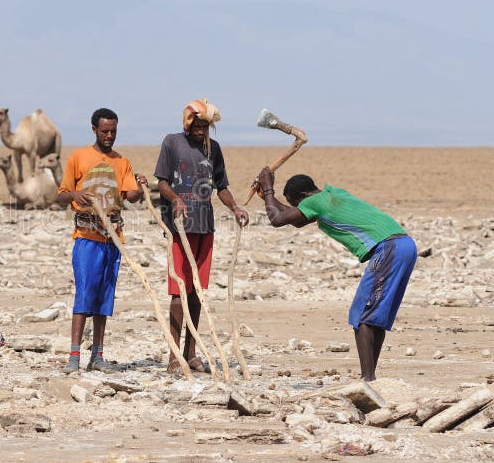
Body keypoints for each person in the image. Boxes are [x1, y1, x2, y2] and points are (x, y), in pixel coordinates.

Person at [253, 169, 417, 382]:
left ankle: (368, 379)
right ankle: (370, 376)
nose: (297, 209)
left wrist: (268, 188)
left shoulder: (314, 202)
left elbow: (277, 220)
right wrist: (269, 198)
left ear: (302, 197)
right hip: (405, 245)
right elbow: (296, 219)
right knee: (375, 317)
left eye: (296, 204)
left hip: (388, 249)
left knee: (361, 317)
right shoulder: (332, 194)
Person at [153, 98, 249, 374]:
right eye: (197, 124)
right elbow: (162, 182)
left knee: (197, 291)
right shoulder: (172, 143)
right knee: (178, 291)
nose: (201, 129)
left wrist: (234, 206)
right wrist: (175, 200)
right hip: (179, 228)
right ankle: (174, 356)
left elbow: (221, 187)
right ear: (188, 122)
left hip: (205, 226)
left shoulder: (213, 149)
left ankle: (191, 353)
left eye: (206, 125)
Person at [57, 108, 147, 374]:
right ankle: (74, 356)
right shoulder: (79, 157)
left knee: (104, 297)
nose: (109, 136)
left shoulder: (122, 162)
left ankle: (97, 356)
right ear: (94, 129)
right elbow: (61, 195)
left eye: (113, 132)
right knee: (85, 293)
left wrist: (140, 189)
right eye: (105, 131)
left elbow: (131, 196)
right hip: (86, 237)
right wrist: (76, 193)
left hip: (112, 240)